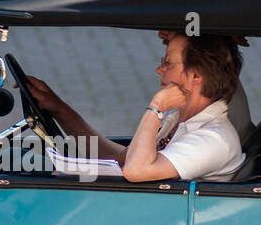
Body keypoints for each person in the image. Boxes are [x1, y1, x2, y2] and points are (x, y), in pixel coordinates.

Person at [25, 31, 245, 182]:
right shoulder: (180, 120)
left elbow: (135, 170)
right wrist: (60, 109)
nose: (160, 70)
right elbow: (120, 160)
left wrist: (156, 107)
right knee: (24, 156)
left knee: (25, 162)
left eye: (168, 63)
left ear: (195, 76)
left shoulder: (213, 139)